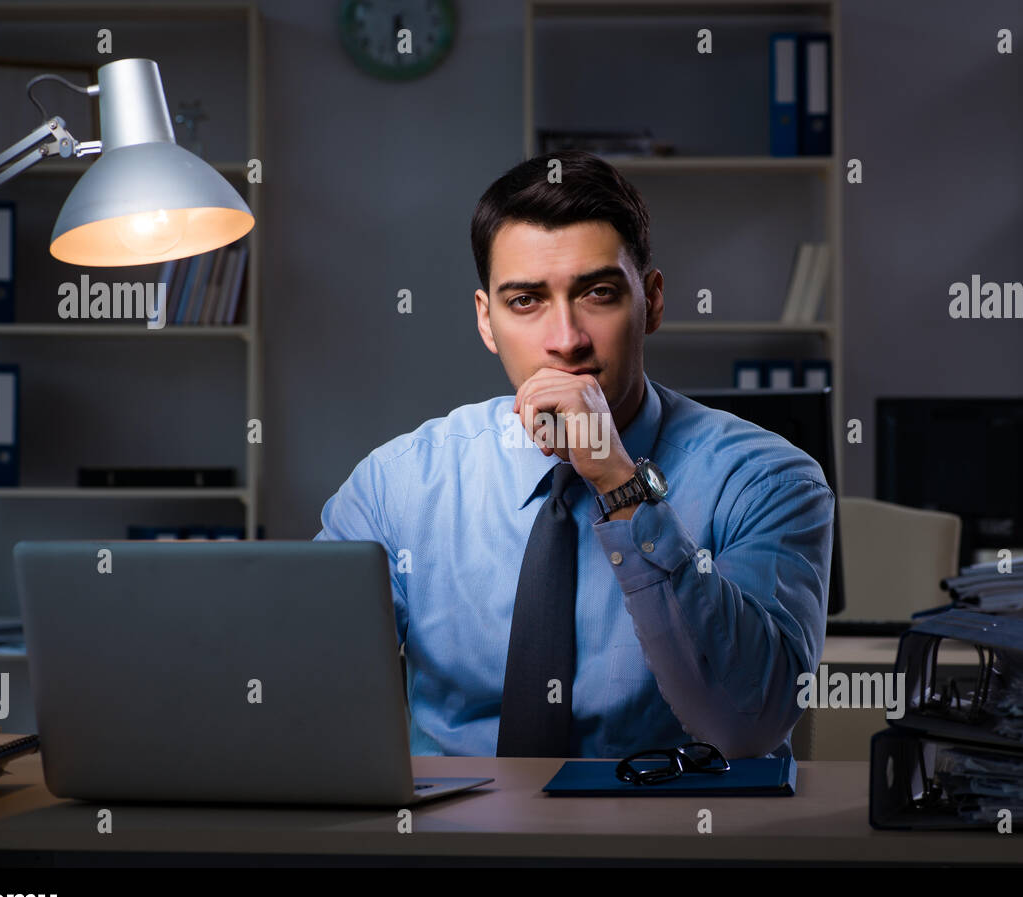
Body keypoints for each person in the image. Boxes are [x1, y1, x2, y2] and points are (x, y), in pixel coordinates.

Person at [315, 150, 834, 759]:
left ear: (653, 301)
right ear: (486, 322)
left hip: (669, 840)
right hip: (453, 846)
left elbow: (749, 724)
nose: (566, 341)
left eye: (599, 293)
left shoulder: (767, 479)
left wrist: (618, 482)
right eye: (525, 301)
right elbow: (307, 692)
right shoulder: (397, 486)